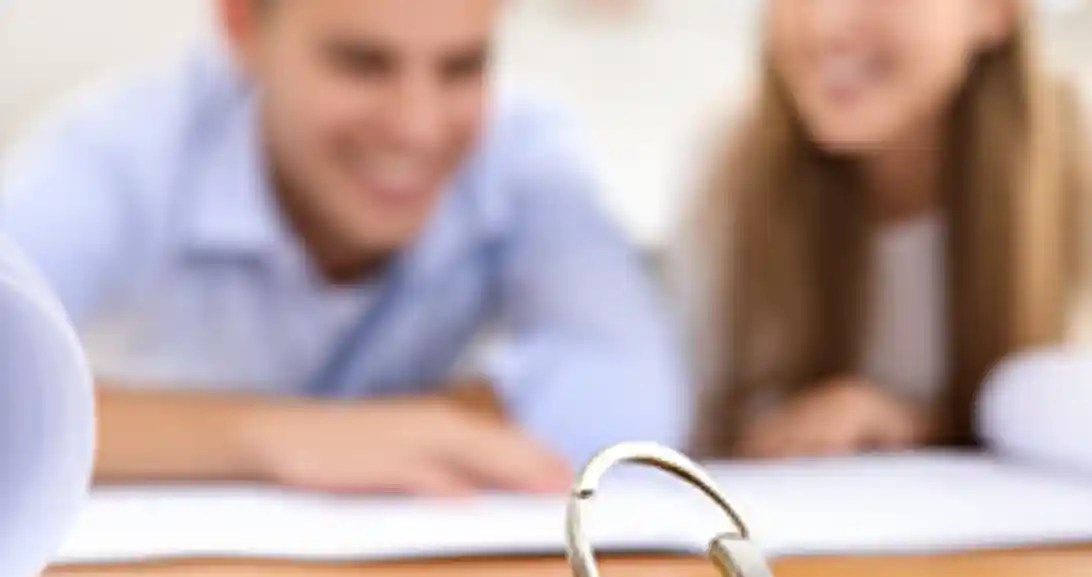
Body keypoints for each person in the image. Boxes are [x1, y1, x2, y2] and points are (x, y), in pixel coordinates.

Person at [0, 0, 689, 494]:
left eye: (461, 67)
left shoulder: (527, 157)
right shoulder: (123, 152)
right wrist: (268, 437)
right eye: (362, 64)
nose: (417, 127)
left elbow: (631, 399)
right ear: (242, 27)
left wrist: (388, 432)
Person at [679, 0, 1092, 459]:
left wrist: (926, 426)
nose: (828, 22)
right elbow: (692, 417)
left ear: (996, 11)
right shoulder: (733, 157)